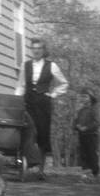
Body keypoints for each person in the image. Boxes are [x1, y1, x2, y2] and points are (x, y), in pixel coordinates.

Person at [15, 38, 68, 174]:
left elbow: (64, 83)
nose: (36, 51)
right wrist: (16, 101)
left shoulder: (51, 66)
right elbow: (21, 85)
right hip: (28, 102)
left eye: (39, 48)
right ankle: (25, 167)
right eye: (34, 48)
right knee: (26, 133)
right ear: (31, 50)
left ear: (43, 50)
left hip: (43, 104)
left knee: (42, 135)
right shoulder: (25, 65)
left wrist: (53, 94)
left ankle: (41, 170)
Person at [73, 89, 100, 182]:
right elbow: (75, 122)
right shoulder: (80, 111)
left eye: (85, 96)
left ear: (90, 98)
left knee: (91, 155)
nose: (83, 99)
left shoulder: (94, 110)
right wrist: (76, 126)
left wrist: (87, 127)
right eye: (82, 97)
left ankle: (94, 174)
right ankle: (85, 174)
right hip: (82, 136)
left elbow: (96, 122)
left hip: (91, 135)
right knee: (83, 155)